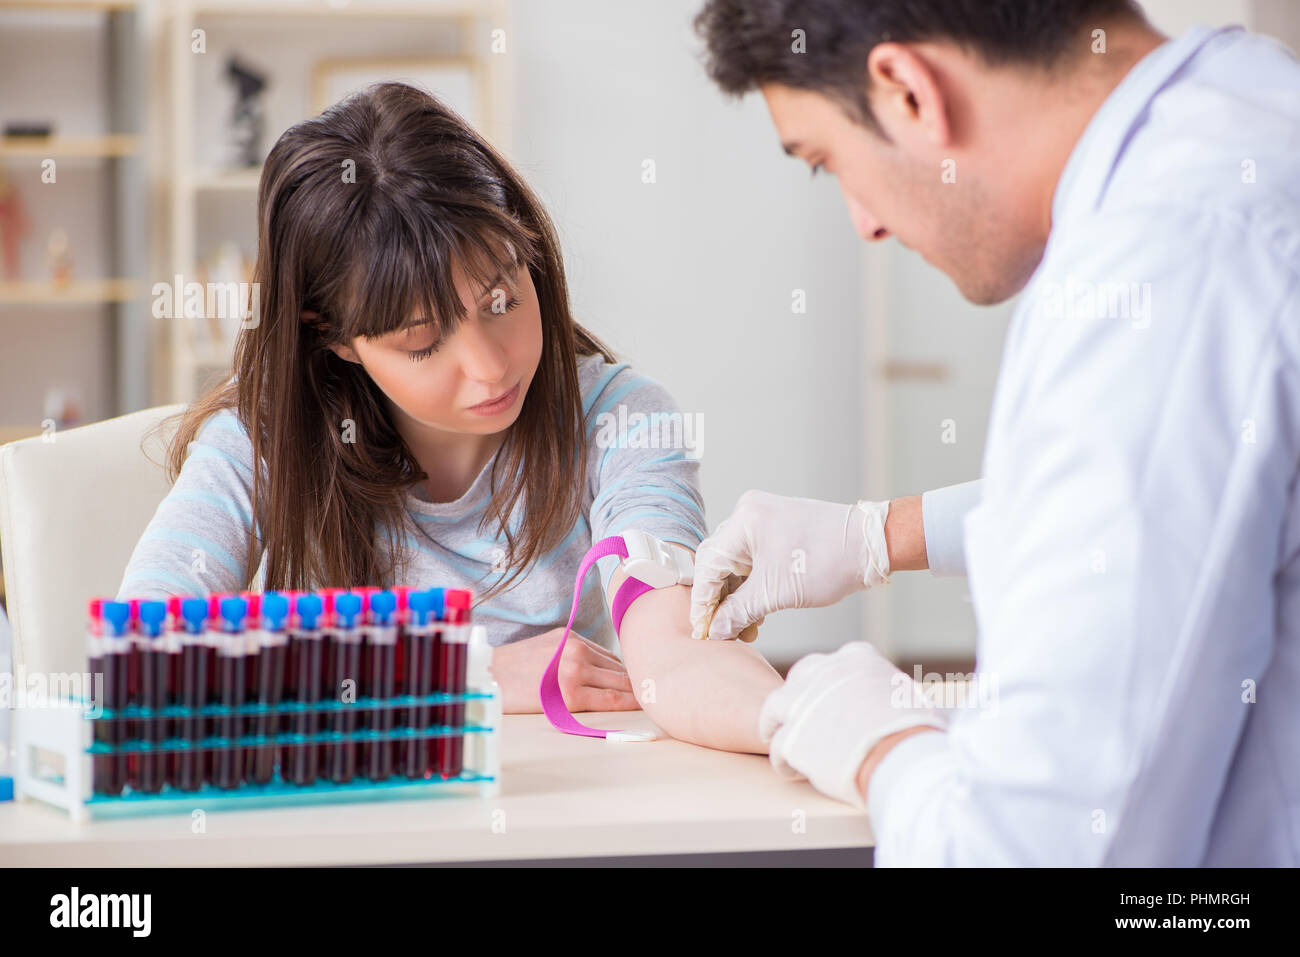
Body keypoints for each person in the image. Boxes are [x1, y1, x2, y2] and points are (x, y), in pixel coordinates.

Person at [691, 0, 1300, 864]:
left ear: (906, 91)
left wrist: (876, 742)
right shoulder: (1253, 105)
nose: (863, 222)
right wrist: (878, 533)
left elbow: (1035, 850)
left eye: (826, 161)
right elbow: (1200, 495)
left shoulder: (1165, 270)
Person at [118, 82, 781, 750]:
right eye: (421, 341)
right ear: (336, 337)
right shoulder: (266, 440)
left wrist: (836, 730)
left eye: (500, 300)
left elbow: (674, 653)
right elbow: (144, 659)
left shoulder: (622, 420)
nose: (491, 367)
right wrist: (467, 671)